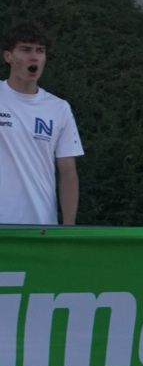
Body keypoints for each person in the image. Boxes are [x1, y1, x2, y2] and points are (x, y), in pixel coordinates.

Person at [0, 23, 82, 226]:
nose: (34, 57)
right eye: (26, 50)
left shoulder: (58, 108)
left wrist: (69, 229)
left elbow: (68, 172)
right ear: (8, 56)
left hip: (40, 227)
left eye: (40, 51)